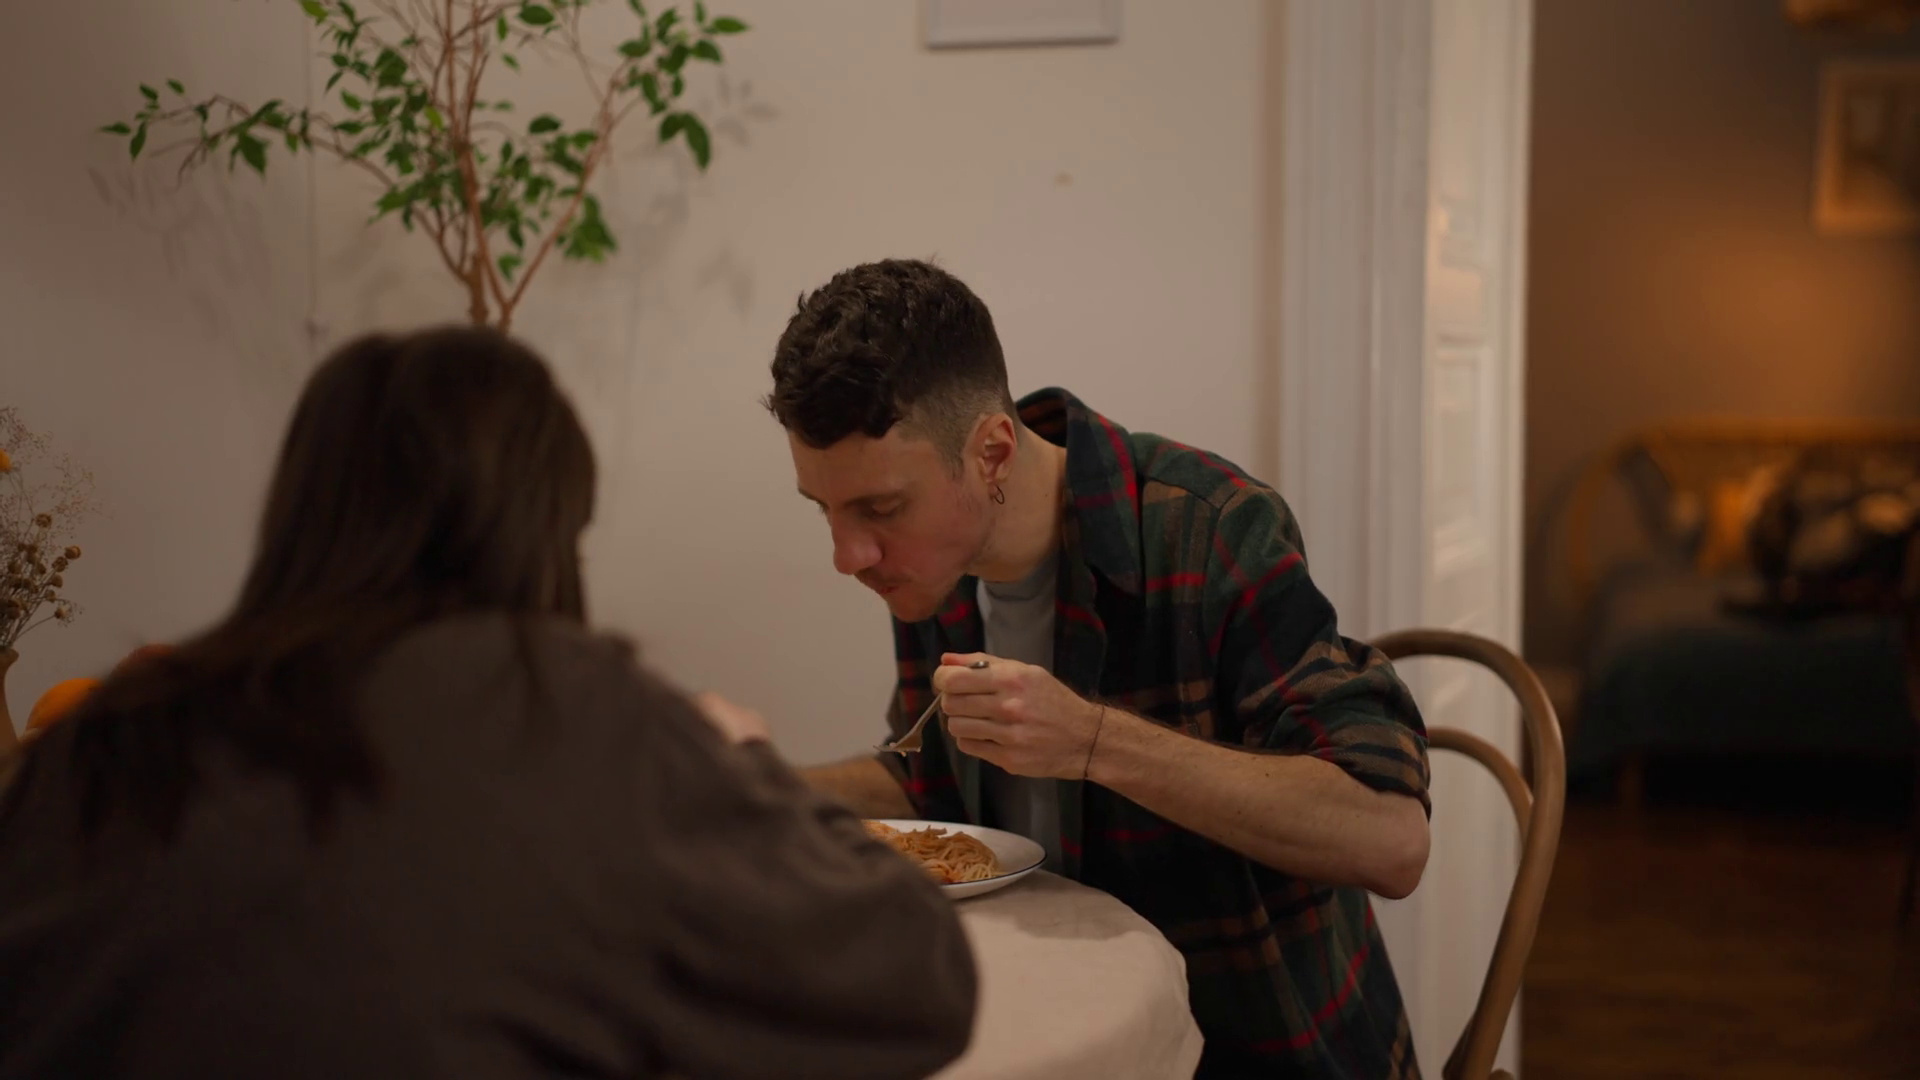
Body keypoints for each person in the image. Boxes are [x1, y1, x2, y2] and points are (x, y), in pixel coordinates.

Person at [0, 326, 977, 1080]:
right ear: (545, 525)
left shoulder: (105, 736)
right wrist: (740, 769)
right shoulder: (577, 716)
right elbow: (916, 980)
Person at [747, 258, 1432, 1079]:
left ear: (992, 452)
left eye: (881, 509)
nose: (846, 555)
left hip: (1259, 1051)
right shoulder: (932, 571)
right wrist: (741, 785)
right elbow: (927, 781)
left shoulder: (1207, 528)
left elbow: (1392, 839)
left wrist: (1092, 740)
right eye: (825, 510)